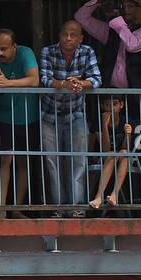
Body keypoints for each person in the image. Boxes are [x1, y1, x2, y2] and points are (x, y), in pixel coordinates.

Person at [39, 20, 100, 213]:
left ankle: (77, 207)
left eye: (73, 35)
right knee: (52, 162)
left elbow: (96, 79)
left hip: (76, 113)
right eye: (65, 34)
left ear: (80, 38)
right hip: (49, 114)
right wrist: (65, 84)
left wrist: (82, 84)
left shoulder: (87, 52)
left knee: (78, 161)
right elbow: (45, 80)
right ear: (59, 36)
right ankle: (58, 208)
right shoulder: (48, 52)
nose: (68, 38)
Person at [75, 0, 141, 129]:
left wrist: (116, 19)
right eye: (122, 5)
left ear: (137, 10)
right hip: (113, 98)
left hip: (138, 98)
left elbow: (132, 44)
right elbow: (81, 16)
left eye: (130, 6)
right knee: (111, 137)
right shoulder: (109, 31)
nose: (126, 10)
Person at [0, 28, 40, 218]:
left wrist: (7, 83)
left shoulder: (25, 53)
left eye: (4, 49)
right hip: (3, 118)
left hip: (28, 118)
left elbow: (34, 80)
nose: (0, 54)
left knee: (24, 162)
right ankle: (1, 209)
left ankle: (16, 208)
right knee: (4, 160)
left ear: (14, 46)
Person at [88, 96, 133, 212]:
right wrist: (104, 126)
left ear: (121, 105)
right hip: (103, 157)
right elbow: (106, 149)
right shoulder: (99, 121)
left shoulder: (126, 120)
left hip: (121, 158)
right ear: (103, 106)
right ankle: (98, 197)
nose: (111, 108)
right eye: (107, 105)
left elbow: (125, 147)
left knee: (125, 153)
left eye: (115, 104)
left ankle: (114, 195)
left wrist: (128, 135)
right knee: (112, 154)